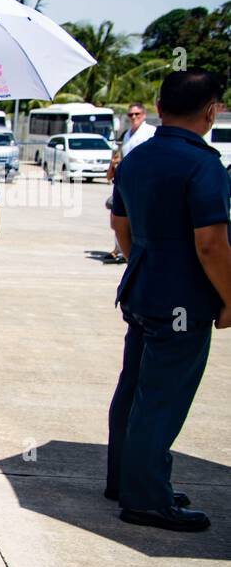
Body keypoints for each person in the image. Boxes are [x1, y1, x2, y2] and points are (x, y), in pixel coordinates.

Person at [106, 69, 231, 532]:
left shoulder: (137, 159)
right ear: (210, 110)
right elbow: (211, 244)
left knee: (133, 390)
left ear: (159, 108)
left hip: (141, 289)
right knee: (161, 400)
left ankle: (126, 479)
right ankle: (146, 499)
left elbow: (120, 229)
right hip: (183, 300)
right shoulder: (204, 166)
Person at [103, 103, 156, 264]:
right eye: (131, 115)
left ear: (144, 114)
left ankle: (132, 253)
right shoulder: (128, 134)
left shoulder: (150, 132)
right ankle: (122, 251)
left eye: (137, 114)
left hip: (142, 182)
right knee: (119, 218)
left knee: (134, 219)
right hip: (125, 181)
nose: (134, 117)